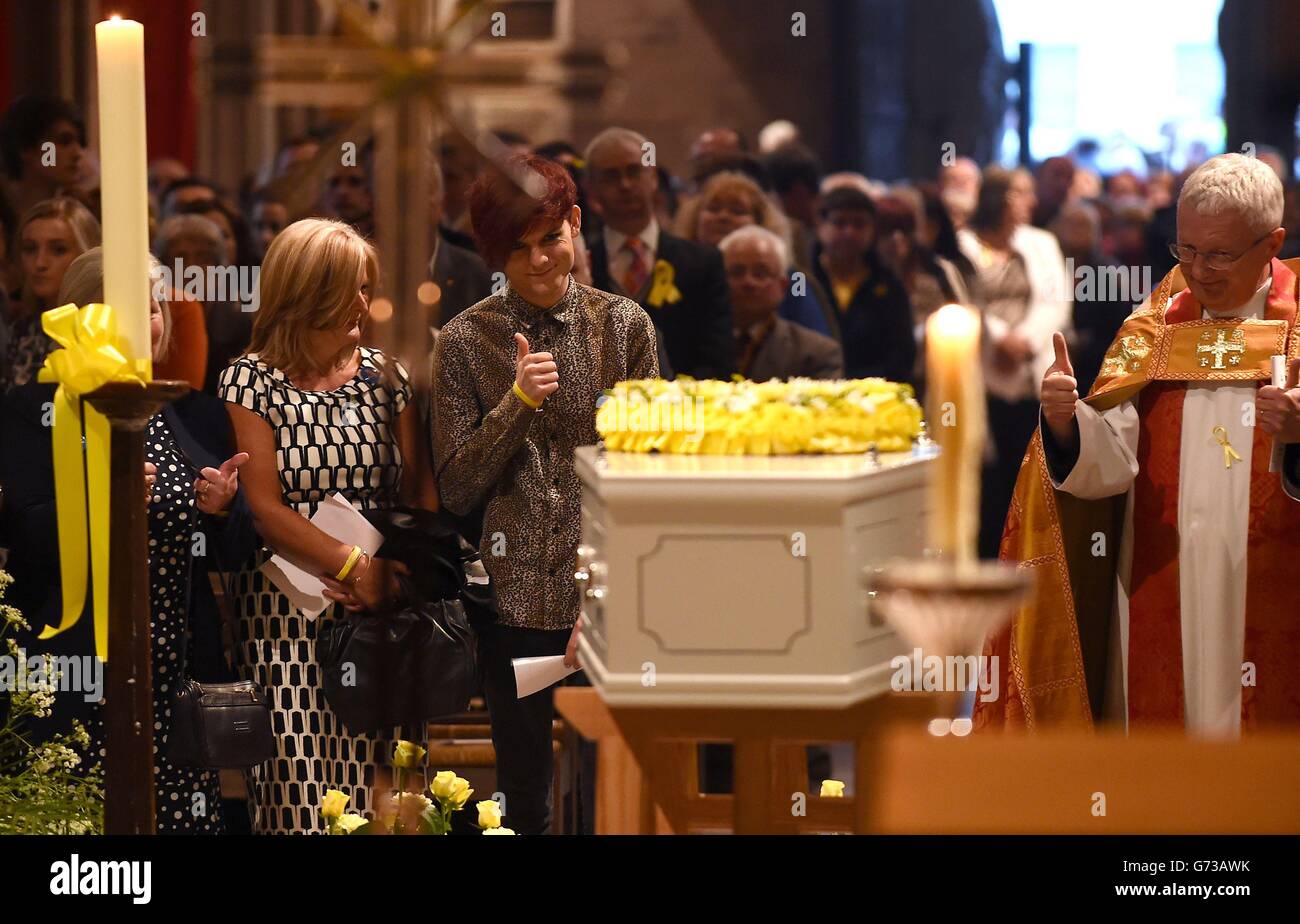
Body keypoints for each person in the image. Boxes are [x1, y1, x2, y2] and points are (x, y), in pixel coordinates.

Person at [977, 153, 1300, 737]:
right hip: (1161, 581)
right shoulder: (1155, 323)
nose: (1199, 271)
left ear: (1272, 242)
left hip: (1278, 590)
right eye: (1187, 250)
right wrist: (1066, 424)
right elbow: (1111, 460)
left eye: (1221, 253)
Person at [432, 154, 657, 834]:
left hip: (614, 595)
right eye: (518, 250)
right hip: (515, 600)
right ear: (493, 253)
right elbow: (457, 486)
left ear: (576, 225)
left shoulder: (627, 327)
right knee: (525, 800)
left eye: (551, 239)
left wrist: (606, 592)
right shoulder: (466, 341)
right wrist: (517, 403)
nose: (538, 261)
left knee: (614, 797)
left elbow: (646, 475)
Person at [1, 247, 255, 833]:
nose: (150, 323)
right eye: (129, 311)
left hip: (174, 678)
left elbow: (237, 553)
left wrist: (221, 509)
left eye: (155, 308)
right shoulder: (33, 409)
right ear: (84, 318)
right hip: (71, 672)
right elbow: (26, 536)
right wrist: (101, 495)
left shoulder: (192, 413)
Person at [218, 217, 436, 834]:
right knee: (299, 803)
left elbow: (421, 497)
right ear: (303, 290)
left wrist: (390, 574)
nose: (364, 303)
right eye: (350, 288)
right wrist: (350, 566)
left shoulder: (389, 376)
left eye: (368, 287)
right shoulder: (249, 379)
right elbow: (263, 505)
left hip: (386, 615)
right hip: (288, 618)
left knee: (387, 809)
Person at [958, 166, 1071, 558]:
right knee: (989, 487)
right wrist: (998, 337)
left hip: (1029, 374)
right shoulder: (962, 246)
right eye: (1021, 193)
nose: (1031, 201)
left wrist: (1025, 338)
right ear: (997, 199)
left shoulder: (1040, 242)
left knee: (1029, 479)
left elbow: (1055, 300)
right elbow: (962, 301)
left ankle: (1029, 561)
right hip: (983, 374)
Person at [584, 126, 732, 380]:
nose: (625, 185)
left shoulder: (703, 262)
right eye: (611, 176)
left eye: (634, 171)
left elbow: (716, 359)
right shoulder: (580, 262)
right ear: (591, 188)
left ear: (652, 177)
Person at [674, 170, 837, 339]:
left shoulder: (795, 279)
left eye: (737, 211)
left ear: (760, 223)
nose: (723, 217)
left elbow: (816, 343)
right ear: (695, 220)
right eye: (713, 209)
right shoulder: (678, 275)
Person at [810, 186, 915, 384]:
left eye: (859, 224)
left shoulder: (889, 286)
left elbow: (901, 355)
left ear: (872, 230)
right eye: (839, 223)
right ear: (820, 226)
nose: (849, 232)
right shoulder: (803, 282)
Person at [1, 197, 100, 393]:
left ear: (85, 254)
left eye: (58, 250)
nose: (40, 263)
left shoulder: (100, 331)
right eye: (30, 249)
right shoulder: (22, 330)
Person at [720, 225, 842, 380]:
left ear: (783, 286)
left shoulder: (817, 353)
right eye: (737, 272)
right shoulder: (689, 344)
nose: (748, 282)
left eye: (760, 273)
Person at [0, 95, 87, 217]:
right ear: (26, 149)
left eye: (80, 143)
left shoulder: (80, 214)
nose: (78, 153)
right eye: (64, 141)